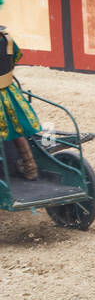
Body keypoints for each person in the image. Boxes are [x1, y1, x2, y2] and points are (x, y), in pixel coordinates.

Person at [0, 19, 42, 181]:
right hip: (8, 92)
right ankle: (30, 165)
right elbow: (16, 57)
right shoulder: (7, 39)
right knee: (17, 129)